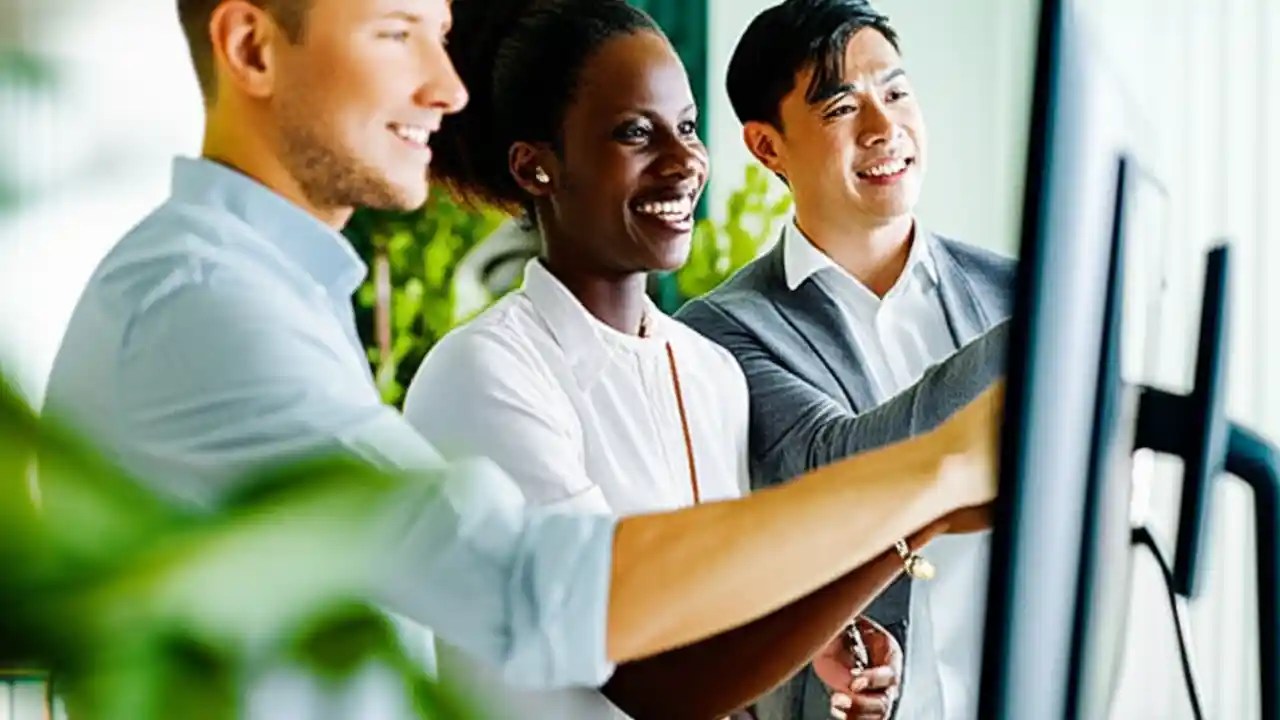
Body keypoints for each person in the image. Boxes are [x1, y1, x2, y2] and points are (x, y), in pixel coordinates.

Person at [41, 0, 1002, 717]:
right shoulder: (205, 309)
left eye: (441, 30)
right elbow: (559, 599)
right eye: (396, 32)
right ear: (253, 47)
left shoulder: (273, 299)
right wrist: (932, 478)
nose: (449, 88)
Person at [400, 1, 923, 717]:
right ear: (536, 168)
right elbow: (651, 677)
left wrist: (817, 648)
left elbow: (714, 623)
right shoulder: (487, 376)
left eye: (686, 127)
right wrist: (918, 508)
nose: (683, 163)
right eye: (636, 134)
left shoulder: (711, 374)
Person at [676, 1, 1016, 718]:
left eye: (895, 93)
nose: (883, 127)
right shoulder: (722, 332)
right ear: (768, 148)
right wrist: (1049, 324)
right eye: (840, 109)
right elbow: (844, 469)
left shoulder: (1009, 291)